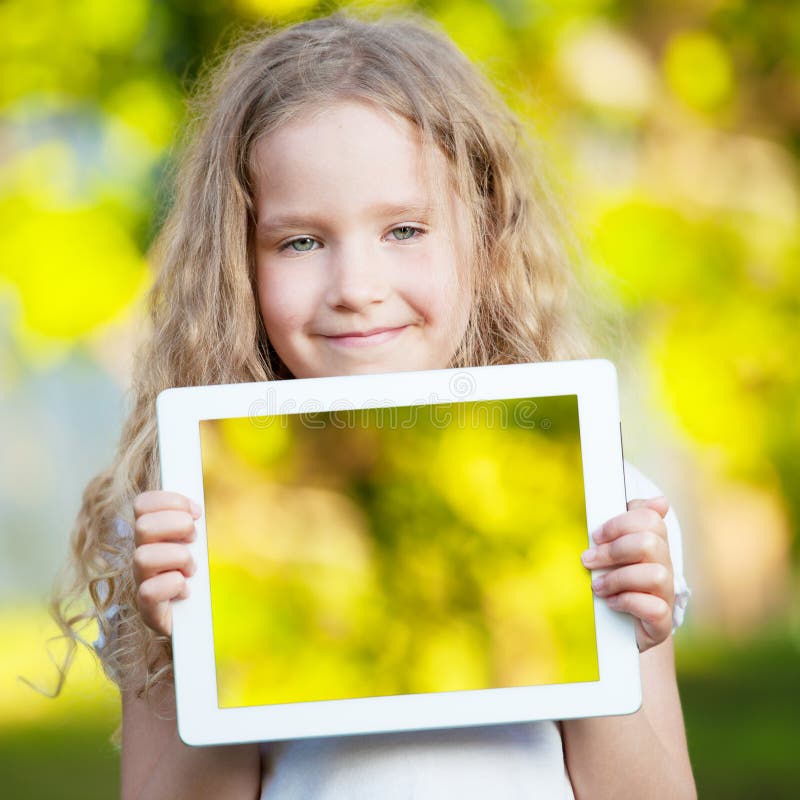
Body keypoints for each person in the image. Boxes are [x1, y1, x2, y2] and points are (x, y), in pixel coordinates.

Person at [54, 10, 695, 799]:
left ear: (488, 233)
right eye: (300, 242)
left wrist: (618, 642)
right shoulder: (174, 526)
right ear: (237, 267)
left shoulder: (610, 503)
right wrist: (191, 648)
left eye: (403, 229)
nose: (357, 288)